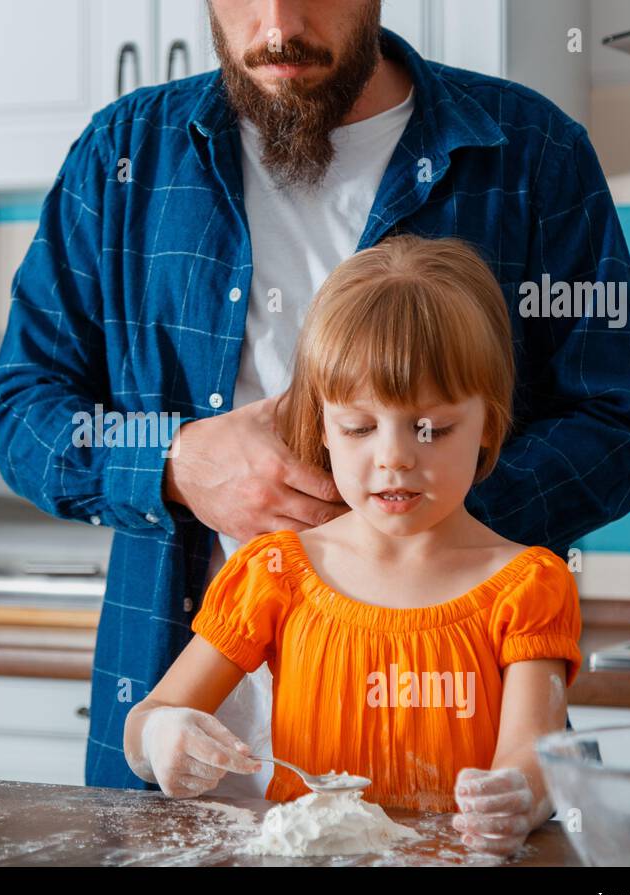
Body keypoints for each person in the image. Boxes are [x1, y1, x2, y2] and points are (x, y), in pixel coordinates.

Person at [0, 1, 630, 798]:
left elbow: (617, 427)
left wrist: (416, 522)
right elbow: (24, 410)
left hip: (449, 763)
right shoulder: (123, 154)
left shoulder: (532, 153)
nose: (279, 24)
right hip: (173, 748)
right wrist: (172, 462)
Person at [123, 235, 581, 856]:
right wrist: (164, 740)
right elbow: (148, 720)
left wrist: (517, 798)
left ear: (487, 428)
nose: (393, 456)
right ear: (322, 430)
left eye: (432, 428)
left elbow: (532, 755)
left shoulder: (528, 587)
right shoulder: (276, 572)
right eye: (359, 427)